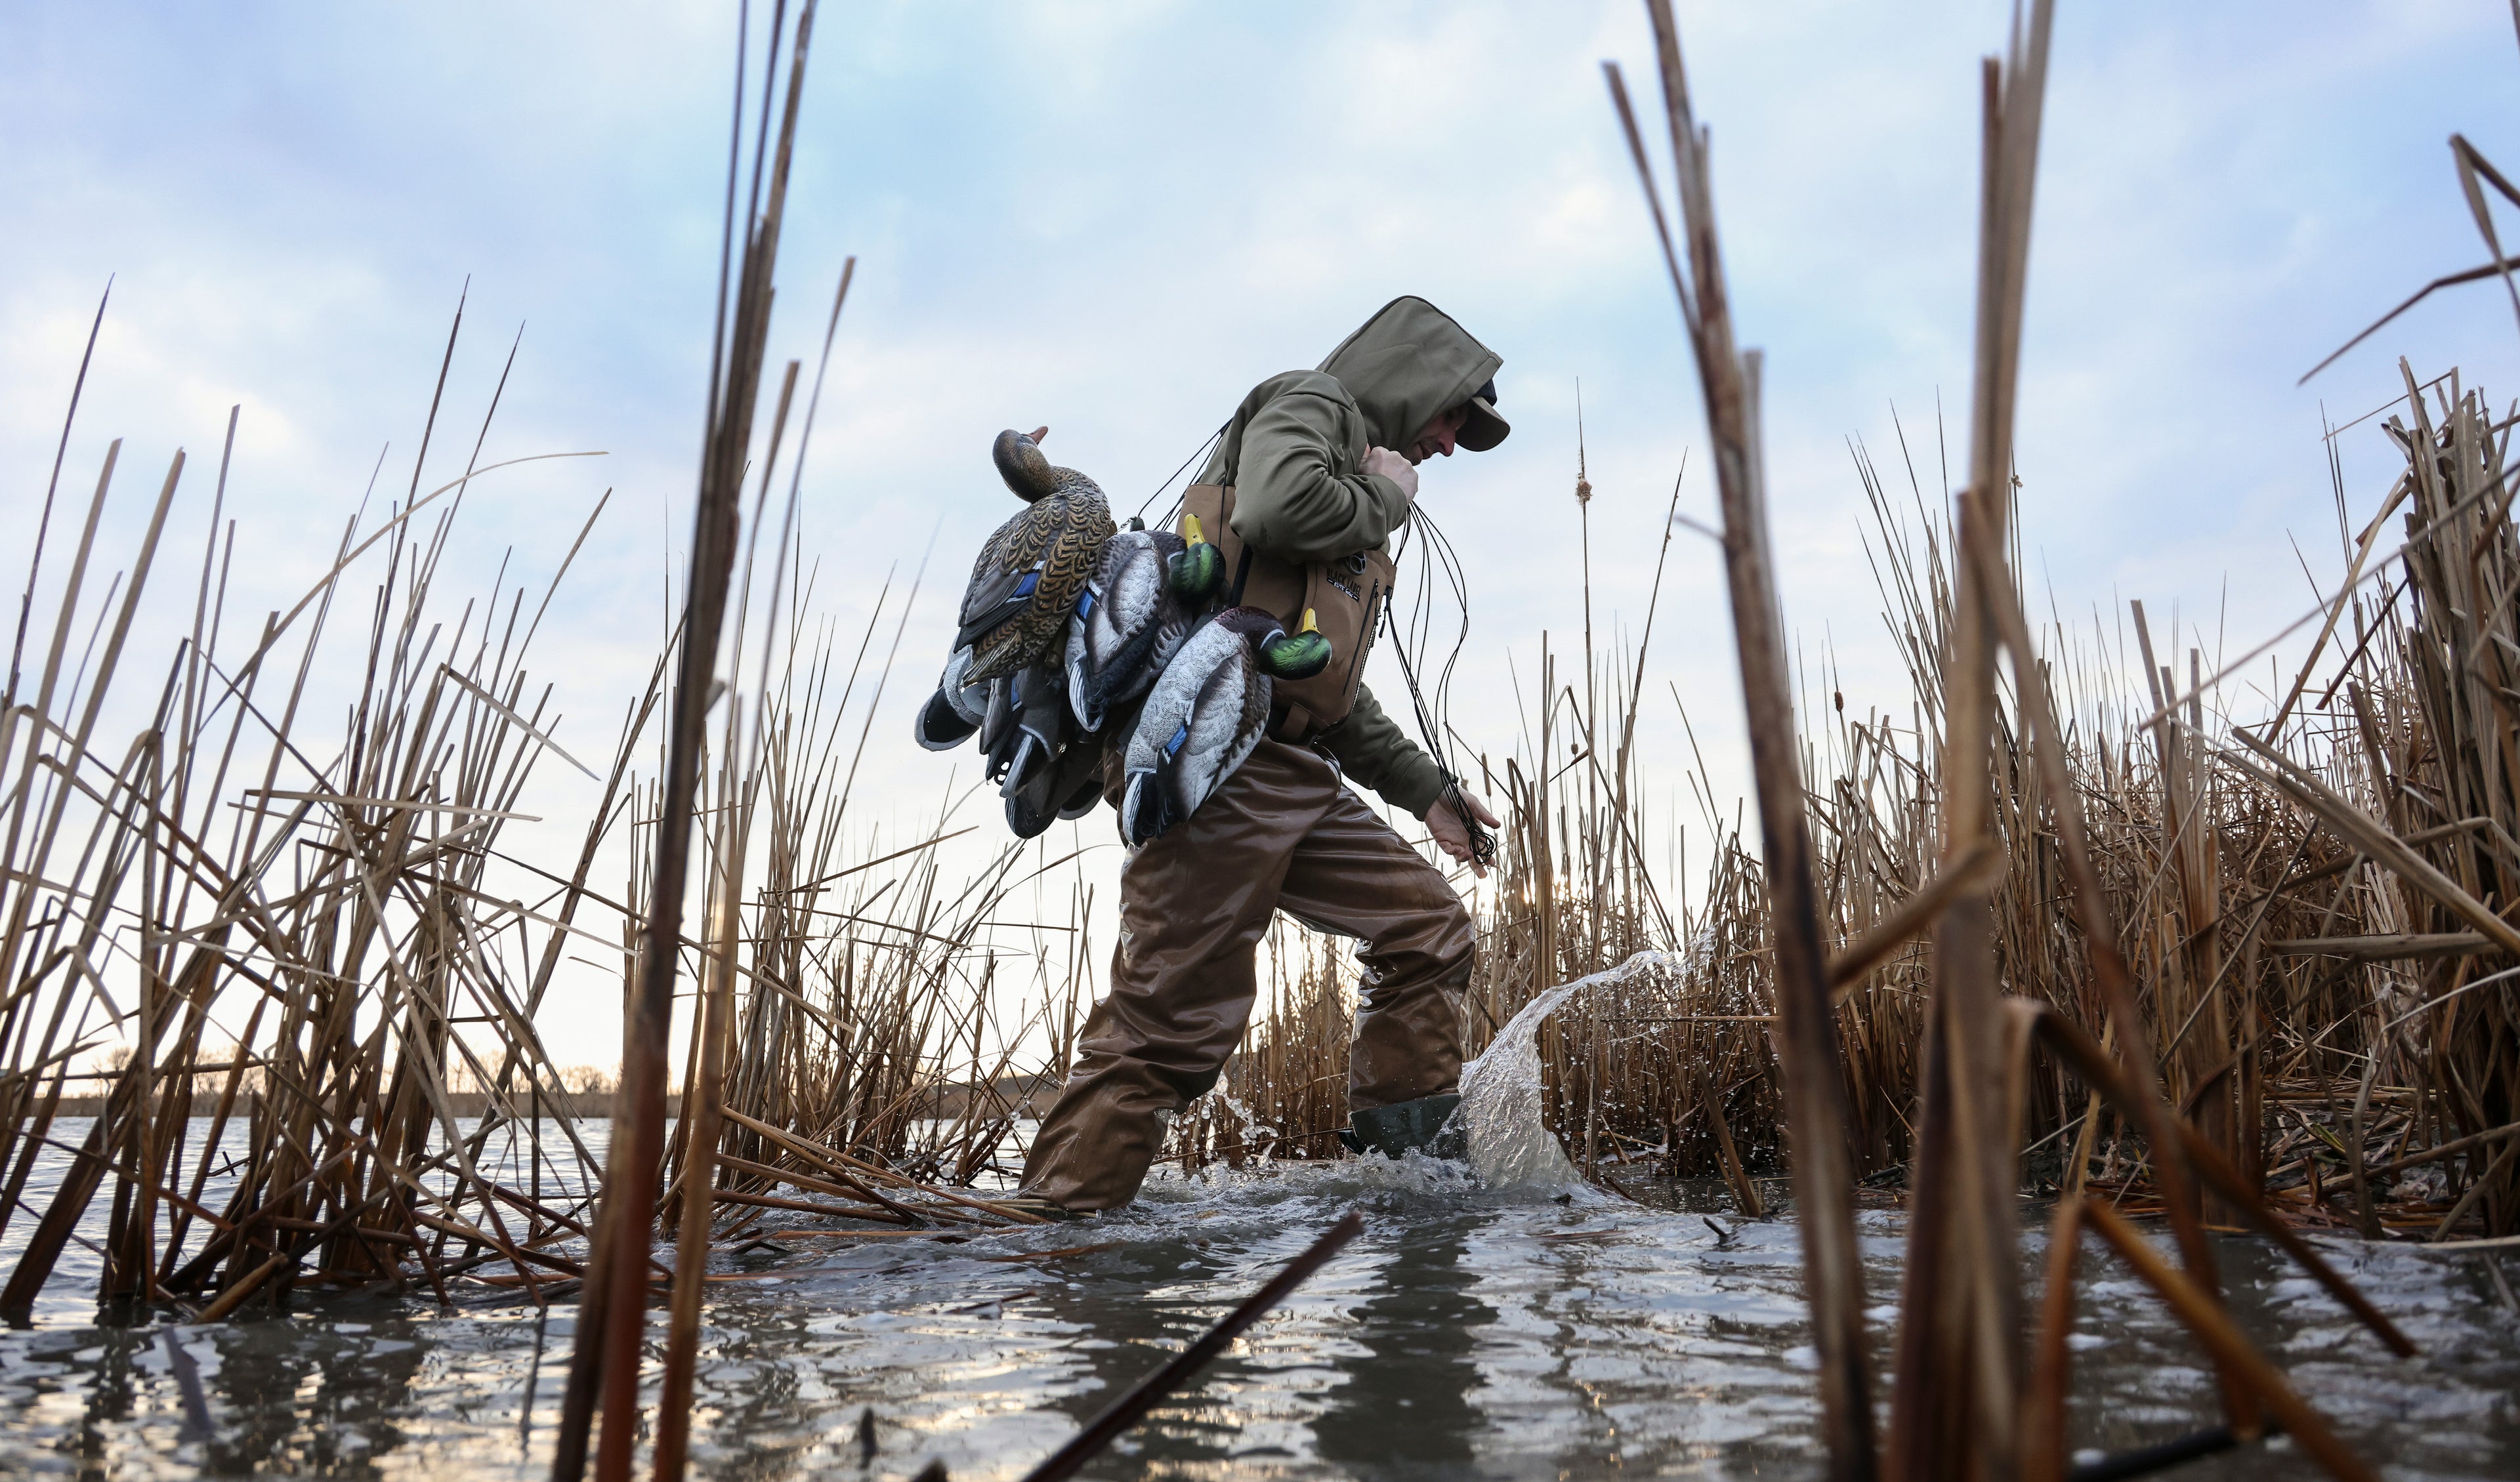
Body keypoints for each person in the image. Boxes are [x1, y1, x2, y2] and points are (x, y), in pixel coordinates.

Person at [1014, 296, 1507, 1214]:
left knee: (1428, 930)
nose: (1447, 445)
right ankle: (1054, 1243)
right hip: (1210, 760)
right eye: (1451, 418)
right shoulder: (1313, 404)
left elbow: (1322, 690)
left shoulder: (1349, 487)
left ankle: (1416, 1195)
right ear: (1415, 384)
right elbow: (1280, 507)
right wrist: (1387, 500)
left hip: (1290, 771)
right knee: (1171, 1025)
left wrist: (1427, 791)